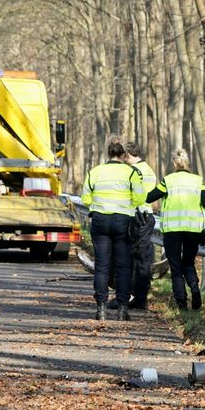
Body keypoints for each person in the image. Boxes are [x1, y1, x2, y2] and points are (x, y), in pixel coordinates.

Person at [81, 136, 146, 320]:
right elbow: (140, 198)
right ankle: (122, 309)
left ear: (108, 153)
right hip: (122, 222)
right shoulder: (131, 173)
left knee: (102, 265)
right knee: (123, 266)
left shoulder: (95, 171)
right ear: (123, 154)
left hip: (100, 221)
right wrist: (127, 205)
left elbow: (85, 199)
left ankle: (101, 308)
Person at [146, 149, 205, 310]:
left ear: (174, 163)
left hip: (172, 231)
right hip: (193, 231)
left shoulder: (168, 181)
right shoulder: (198, 181)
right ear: (187, 162)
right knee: (188, 263)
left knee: (176, 268)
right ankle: (195, 289)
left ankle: (182, 304)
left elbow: (149, 198)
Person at [112, 141, 158, 311]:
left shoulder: (133, 171)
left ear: (126, 155)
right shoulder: (148, 170)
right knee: (143, 259)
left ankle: (128, 296)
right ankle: (140, 297)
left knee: (129, 258)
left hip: (136, 217)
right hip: (147, 216)